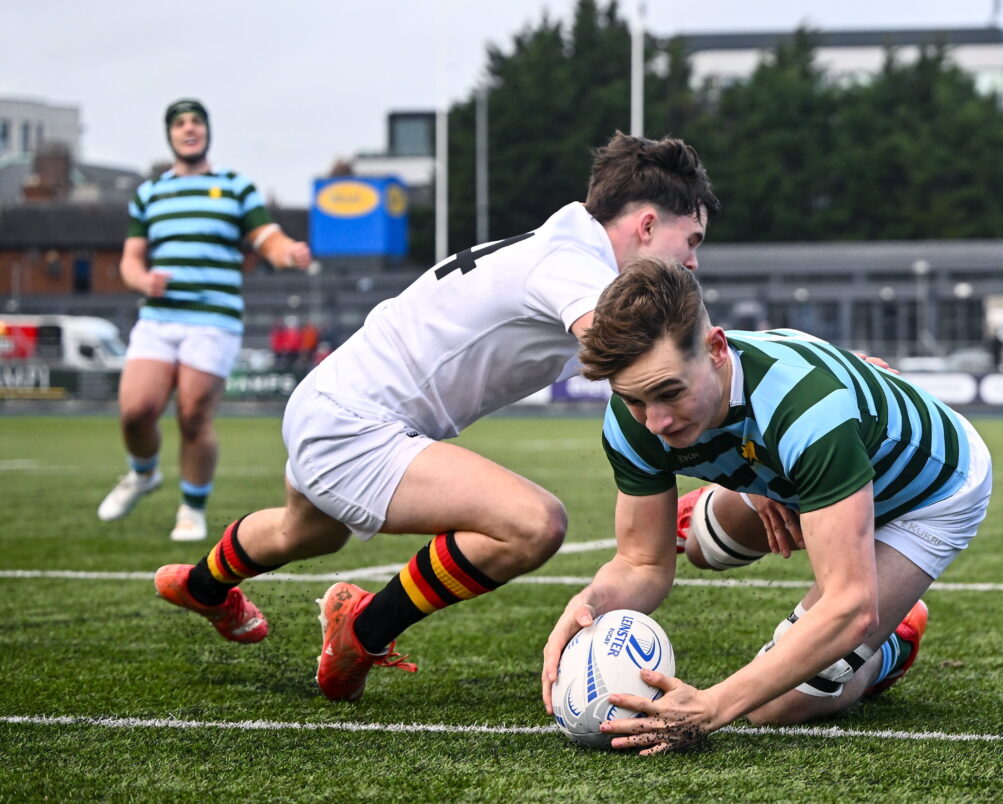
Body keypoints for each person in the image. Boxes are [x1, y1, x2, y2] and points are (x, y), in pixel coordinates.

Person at [152, 132, 720, 702]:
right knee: (534, 525)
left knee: (302, 533)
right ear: (647, 225)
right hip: (355, 424)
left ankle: (202, 585)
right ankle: (363, 630)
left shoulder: (563, 245)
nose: (693, 261)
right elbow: (642, 364)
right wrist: (716, 483)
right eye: (690, 239)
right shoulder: (576, 265)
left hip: (330, 399)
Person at [541, 257, 993, 755]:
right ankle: (744, 495)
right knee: (703, 549)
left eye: (670, 393)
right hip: (807, 466)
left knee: (776, 705)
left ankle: (894, 641)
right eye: (634, 400)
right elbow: (641, 564)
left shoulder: (808, 410)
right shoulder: (636, 418)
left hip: (927, 496)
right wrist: (591, 602)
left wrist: (713, 706)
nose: (656, 422)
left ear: (716, 349)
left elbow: (849, 606)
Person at [97, 99, 312, 542]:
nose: (188, 128)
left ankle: (191, 508)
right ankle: (143, 473)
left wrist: (288, 253)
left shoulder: (234, 187)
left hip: (213, 320)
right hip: (159, 318)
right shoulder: (150, 194)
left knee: (193, 413)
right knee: (135, 411)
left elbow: (266, 238)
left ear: (207, 131)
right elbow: (130, 260)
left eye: (196, 121)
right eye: (180, 123)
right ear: (170, 134)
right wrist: (142, 279)